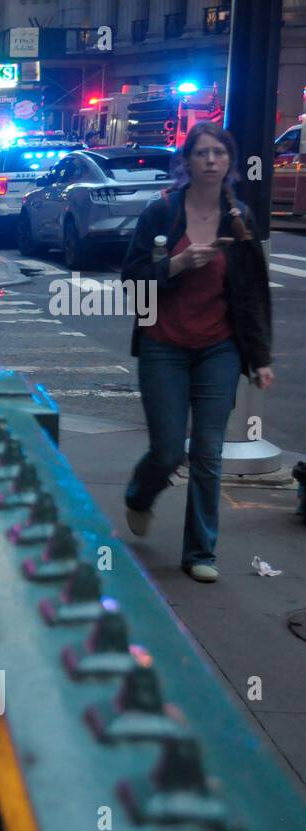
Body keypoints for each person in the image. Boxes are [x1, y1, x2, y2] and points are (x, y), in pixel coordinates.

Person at [120, 121, 274, 583]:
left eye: (219, 154)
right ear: (187, 161)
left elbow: (251, 293)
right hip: (162, 343)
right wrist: (177, 264)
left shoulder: (238, 218)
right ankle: (139, 495)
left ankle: (200, 552)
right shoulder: (161, 212)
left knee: (208, 451)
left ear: (228, 163)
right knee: (168, 451)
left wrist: (260, 357)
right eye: (202, 153)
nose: (210, 160)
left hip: (218, 348)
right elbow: (132, 276)